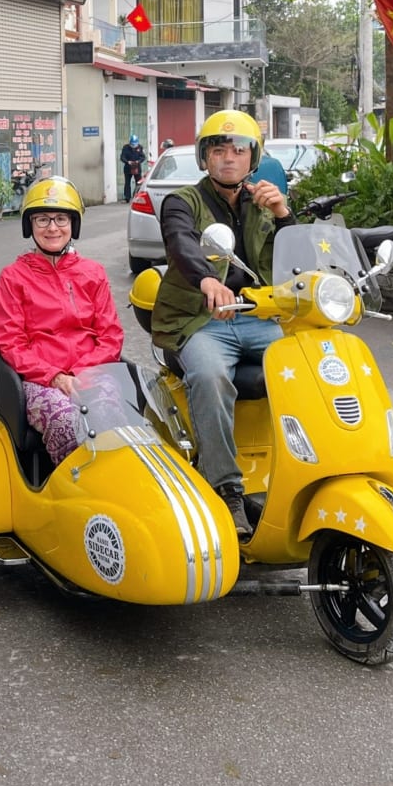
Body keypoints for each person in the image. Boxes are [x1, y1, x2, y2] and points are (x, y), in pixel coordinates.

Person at [148, 110, 295, 537]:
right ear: (204, 156)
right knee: (210, 375)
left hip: (259, 317)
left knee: (311, 363)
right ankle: (226, 489)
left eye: (238, 150)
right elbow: (180, 242)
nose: (228, 158)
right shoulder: (183, 201)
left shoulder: (263, 203)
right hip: (201, 320)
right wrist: (208, 279)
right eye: (218, 149)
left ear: (253, 158)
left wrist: (284, 213)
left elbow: (296, 260)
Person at [0, 177, 125, 465]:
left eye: (61, 218)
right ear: (30, 225)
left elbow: (111, 335)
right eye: (42, 219)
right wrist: (54, 376)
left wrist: (80, 373)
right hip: (42, 382)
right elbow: (10, 342)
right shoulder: (13, 277)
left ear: (73, 224)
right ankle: (71, 496)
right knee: (66, 421)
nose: (52, 227)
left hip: (90, 374)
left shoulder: (93, 273)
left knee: (115, 417)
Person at [120, 134, 147, 200]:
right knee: (127, 182)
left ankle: (137, 196)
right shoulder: (125, 147)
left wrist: (138, 161)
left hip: (137, 167)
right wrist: (127, 161)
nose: (133, 146)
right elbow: (122, 157)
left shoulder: (140, 147)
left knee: (138, 182)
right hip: (128, 167)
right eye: (132, 145)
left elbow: (143, 157)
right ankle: (127, 197)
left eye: (135, 145)